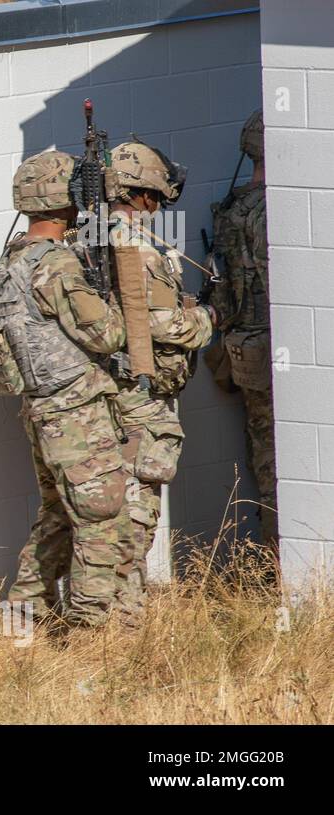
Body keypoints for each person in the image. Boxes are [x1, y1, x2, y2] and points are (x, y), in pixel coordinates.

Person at [0, 151, 134, 628]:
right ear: (63, 199)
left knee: (57, 514)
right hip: (75, 414)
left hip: (43, 411)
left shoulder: (10, 263)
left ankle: (23, 614)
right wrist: (112, 299)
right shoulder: (56, 267)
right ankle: (92, 633)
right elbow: (106, 335)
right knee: (100, 521)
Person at [104, 141, 217, 622]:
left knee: (110, 510)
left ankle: (113, 608)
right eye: (157, 198)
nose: (159, 208)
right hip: (140, 397)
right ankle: (124, 620)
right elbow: (158, 325)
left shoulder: (88, 238)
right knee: (137, 509)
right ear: (144, 195)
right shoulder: (133, 247)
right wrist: (208, 318)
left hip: (108, 393)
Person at [208, 110, 276, 559]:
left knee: (268, 460)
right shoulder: (273, 211)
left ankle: (277, 559)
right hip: (274, 349)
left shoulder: (233, 206)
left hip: (248, 350)